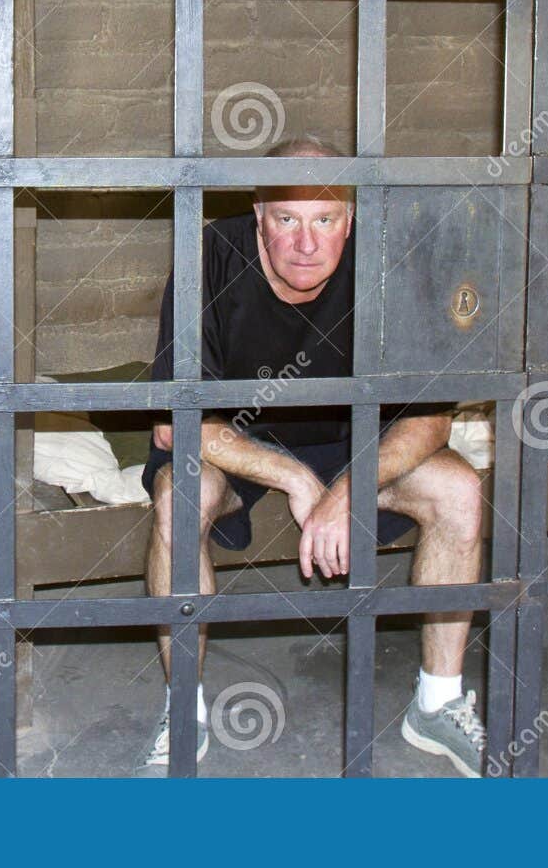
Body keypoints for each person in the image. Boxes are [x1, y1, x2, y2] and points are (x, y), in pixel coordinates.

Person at [141, 135, 487, 776]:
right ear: (258, 217)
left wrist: (348, 490)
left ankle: (436, 704)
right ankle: (182, 706)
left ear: (350, 219)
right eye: (287, 220)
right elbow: (176, 423)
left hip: (354, 443)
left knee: (460, 489)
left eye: (325, 220)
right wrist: (296, 479)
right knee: (178, 496)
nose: (307, 243)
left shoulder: (393, 255)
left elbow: (433, 415)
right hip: (237, 443)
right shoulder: (210, 256)